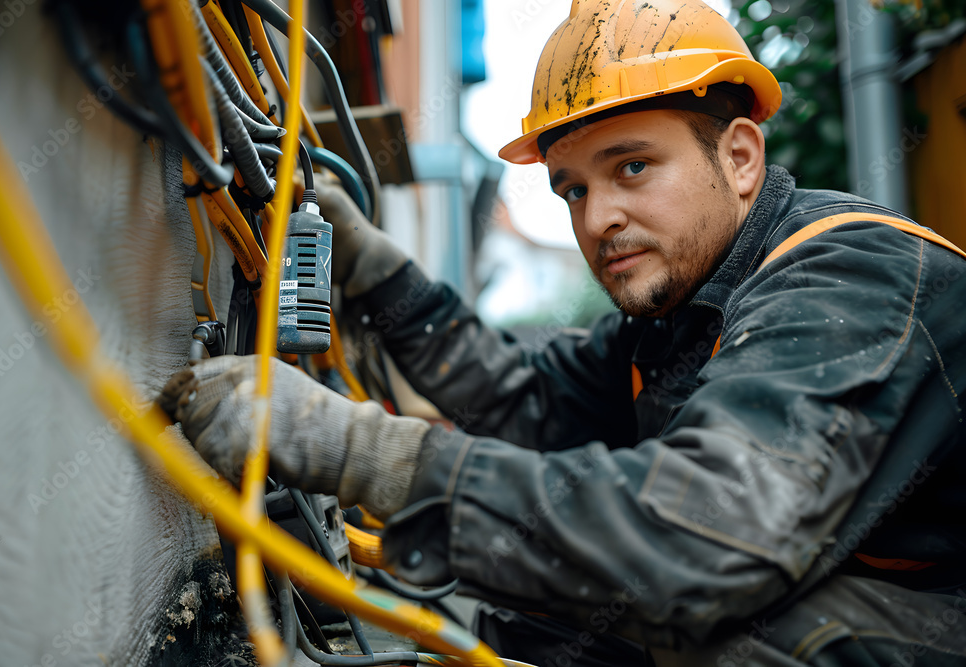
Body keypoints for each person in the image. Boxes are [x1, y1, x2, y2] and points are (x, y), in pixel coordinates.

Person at [161, 1, 966, 664]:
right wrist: (376, 273)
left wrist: (360, 450)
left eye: (633, 167)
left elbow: (705, 540)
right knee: (555, 609)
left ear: (742, 157)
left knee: (736, 631)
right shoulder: (682, 309)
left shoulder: (852, 277)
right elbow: (527, 399)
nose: (600, 217)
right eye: (572, 190)